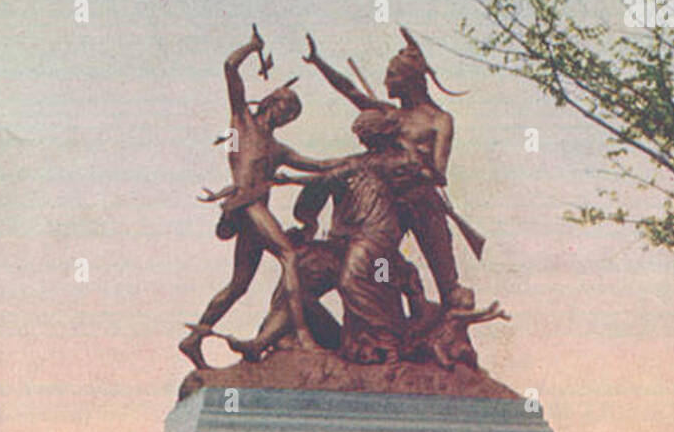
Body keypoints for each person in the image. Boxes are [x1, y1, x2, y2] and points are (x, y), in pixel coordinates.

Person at [179, 26, 356, 369]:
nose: (286, 118)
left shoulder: (277, 148)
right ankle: (303, 334)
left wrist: (354, 160)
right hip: (247, 207)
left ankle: (194, 338)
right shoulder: (241, 122)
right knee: (290, 256)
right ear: (273, 102)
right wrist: (252, 46)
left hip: (256, 211)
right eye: (286, 110)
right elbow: (230, 67)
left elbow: (318, 164)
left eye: (291, 117)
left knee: (239, 285)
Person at [302, 28, 479, 309]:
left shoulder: (440, 120)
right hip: (385, 203)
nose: (386, 82)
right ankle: (393, 302)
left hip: (420, 201)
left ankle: (448, 296)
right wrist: (319, 61)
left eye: (392, 76)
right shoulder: (390, 114)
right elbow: (350, 91)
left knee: (447, 282)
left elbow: (439, 171)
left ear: (409, 80)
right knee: (381, 260)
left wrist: (410, 162)